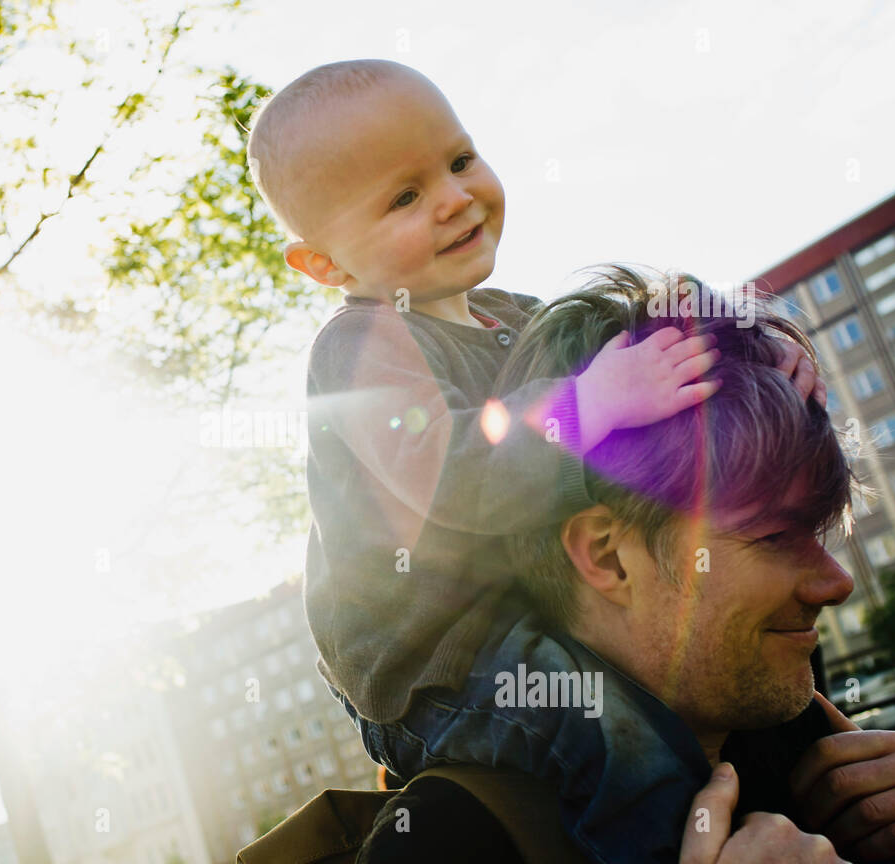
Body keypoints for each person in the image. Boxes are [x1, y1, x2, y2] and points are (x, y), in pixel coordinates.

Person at [244, 59, 821, 808]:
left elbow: (644, 368)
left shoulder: (515, 315)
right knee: (606, 735)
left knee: (751, 697)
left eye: (459, 161)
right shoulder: (358, 349)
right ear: (321, 262)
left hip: (540, 614)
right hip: (439, 664)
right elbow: (451, 479)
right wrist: (583, 408)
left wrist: (756, 361)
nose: (455, 199)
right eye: (405, 197)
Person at [354, 266, 895, 864]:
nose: (837, 582)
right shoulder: (446, 846)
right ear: (607, 556)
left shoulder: (828, 766)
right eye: (774, 535)